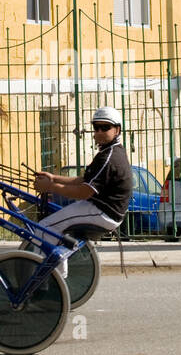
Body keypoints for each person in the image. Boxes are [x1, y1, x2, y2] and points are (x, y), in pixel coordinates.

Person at [33, 106, 132, 273]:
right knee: (55, 227)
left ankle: (48, 278)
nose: (99, 131)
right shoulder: (109, 151)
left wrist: (49, 187)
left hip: (104, 212)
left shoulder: (109, 157)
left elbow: (84, 192)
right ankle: (56, 273)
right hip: (102, 209)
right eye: (96, 127)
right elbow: (84, 180)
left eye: (105, 127)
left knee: (45, 228)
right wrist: (54, 178)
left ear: (117, 130)